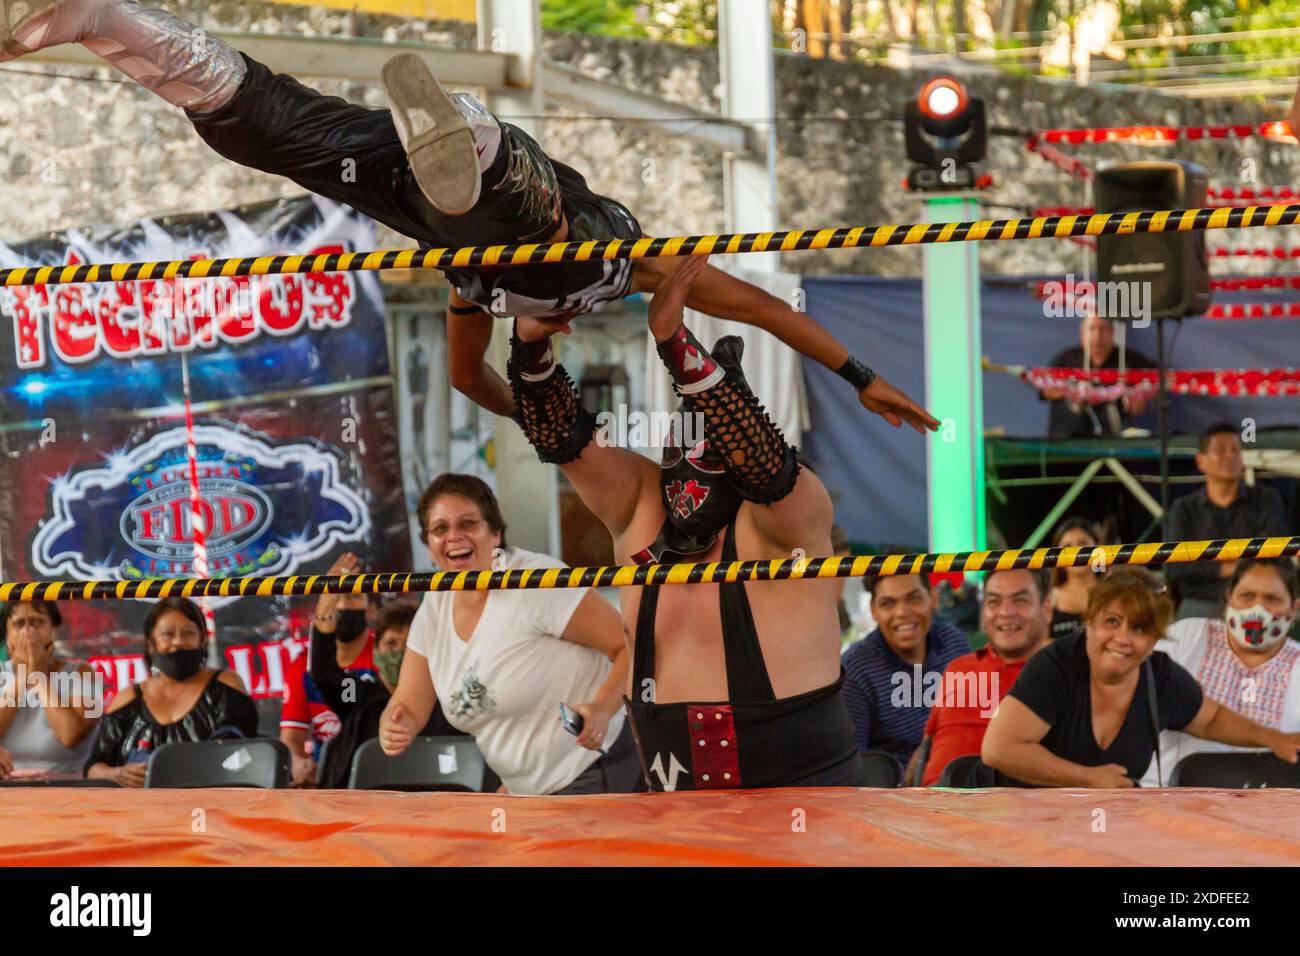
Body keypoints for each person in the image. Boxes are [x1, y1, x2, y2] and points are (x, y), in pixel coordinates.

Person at [0, 0, 931, 430]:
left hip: (416, 204)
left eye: (544, 350)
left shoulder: (481, 303)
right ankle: (471, 135)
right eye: (549, 346)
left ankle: (102, 20)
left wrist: (530, 411)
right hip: (524, 192)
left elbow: (459, 377)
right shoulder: (631, 269)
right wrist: (860, 374)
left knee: (252, 125)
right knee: (524, 217)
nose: (549, 339)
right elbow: (765, 307)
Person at [507, 255, 936, 789]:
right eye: (683, 448)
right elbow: (560, 438)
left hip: (803, 798)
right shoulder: (643, 502)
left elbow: (764, 467)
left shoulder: (789, 518)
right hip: (673, 796)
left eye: (713, 452)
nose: (692, 471)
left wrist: (674, 343)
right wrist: (531, 345)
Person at [380, 473, 639, 795]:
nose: (454, 536)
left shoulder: (533, 580)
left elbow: (631, 644)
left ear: (495, 533)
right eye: (440, 529)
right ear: (429, 546)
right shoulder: (435, 602)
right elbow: (410, 703)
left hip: (593, 770)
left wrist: (602, 708)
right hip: (524, 792)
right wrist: (395, 725)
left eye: (468, 524)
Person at [981, 568, 1300, 788]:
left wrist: (1274, 739)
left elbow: (1210, 718)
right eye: (1112, 621)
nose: (1123, 638)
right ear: (1089, 622)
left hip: (1087, 834)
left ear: (1154, 639)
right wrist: (1087, 778)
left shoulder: (1160, 676)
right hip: (1016, 826)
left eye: (1139, 628)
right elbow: (1000, 749)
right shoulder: (1055, 665)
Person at [1141, 559, 1300, 786]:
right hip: (1170, 797)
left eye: (1272, 599)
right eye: (1247, 596)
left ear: (1294, 608)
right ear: (1228, 599)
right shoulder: (1185, 637)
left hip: (1266, 809)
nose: (1258, 608)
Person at [85, 597, 258, 786]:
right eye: (168, 634)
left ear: (202, 639)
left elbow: (236, 750)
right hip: (138, 810)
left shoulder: (226, 685)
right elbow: (94, 766)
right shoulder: (129, 698)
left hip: (210, 805)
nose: (178, 642)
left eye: (188, 633)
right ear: (151, 644)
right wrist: (117, 774)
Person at [310, 597, 481, 790]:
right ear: (376, 651)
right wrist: (326, 606)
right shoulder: (354, 694)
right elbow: (324, 673)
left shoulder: (451, 699)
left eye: (409, 645)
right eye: (391, 643)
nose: (400, 652)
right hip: (363, 811)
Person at [913, 569, 1051, 786]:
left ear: (1046, 609)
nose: (1006, 612)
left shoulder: (1062, 672)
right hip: (931, 807)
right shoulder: (958, 668)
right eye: (994, 602)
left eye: (1020, 600)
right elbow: (927, 746)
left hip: (1018, 810)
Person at [841, 574, 970, 768]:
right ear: (873, 610)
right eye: (888, 603)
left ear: (932, 598)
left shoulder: (955, 645)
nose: (902, 612)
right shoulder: (857, 670)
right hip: (889, 792)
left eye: (913, 598)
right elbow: (852, 766)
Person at [1166, 422, 1289, 620]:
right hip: (1202, 602)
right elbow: (1177, 567)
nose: (1230, 456)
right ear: (1201, 461)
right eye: (1220, 450)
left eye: (1235, 450)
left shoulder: (1266, 498)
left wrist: (1211, 564)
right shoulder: (1184, 508)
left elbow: (1274, 546)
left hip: (1257, 602)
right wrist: (1239, 565)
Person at [279, 553, 377, 787]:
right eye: (335, 599)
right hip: (326, 782)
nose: (342, 605)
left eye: (353, 596)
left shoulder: (385, 656)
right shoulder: (304, 664)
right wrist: (299, 764)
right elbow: (291, 740)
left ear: (371, 609)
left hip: (380, 776)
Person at [0, 601, 100, 778]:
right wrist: (23, 674)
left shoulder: (83, 673)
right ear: (7, 638)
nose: (28, 632)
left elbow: (70, 735)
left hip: (65, 786)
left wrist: (38, 677)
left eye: (37, 622)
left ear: (53, 631)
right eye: (19, 624)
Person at [1039, 314, 1156, 438]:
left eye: (1103, 329)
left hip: (1113, 441)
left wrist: (1142, 391)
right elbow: (1044, 389)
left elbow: (1159, 378)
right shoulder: (1066, 359)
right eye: (1091, 329)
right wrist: (1070, 390)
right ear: (1082, 333)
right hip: (1067, 440)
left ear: (1112, 332)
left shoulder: (1127, 359)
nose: (1097, 336)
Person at [1049, 517, 1104, 641]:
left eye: (1082, 543)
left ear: (1098, 547)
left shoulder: (1114, 592)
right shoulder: (1049, 598)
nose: (1076, 552)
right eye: (1067, 546)